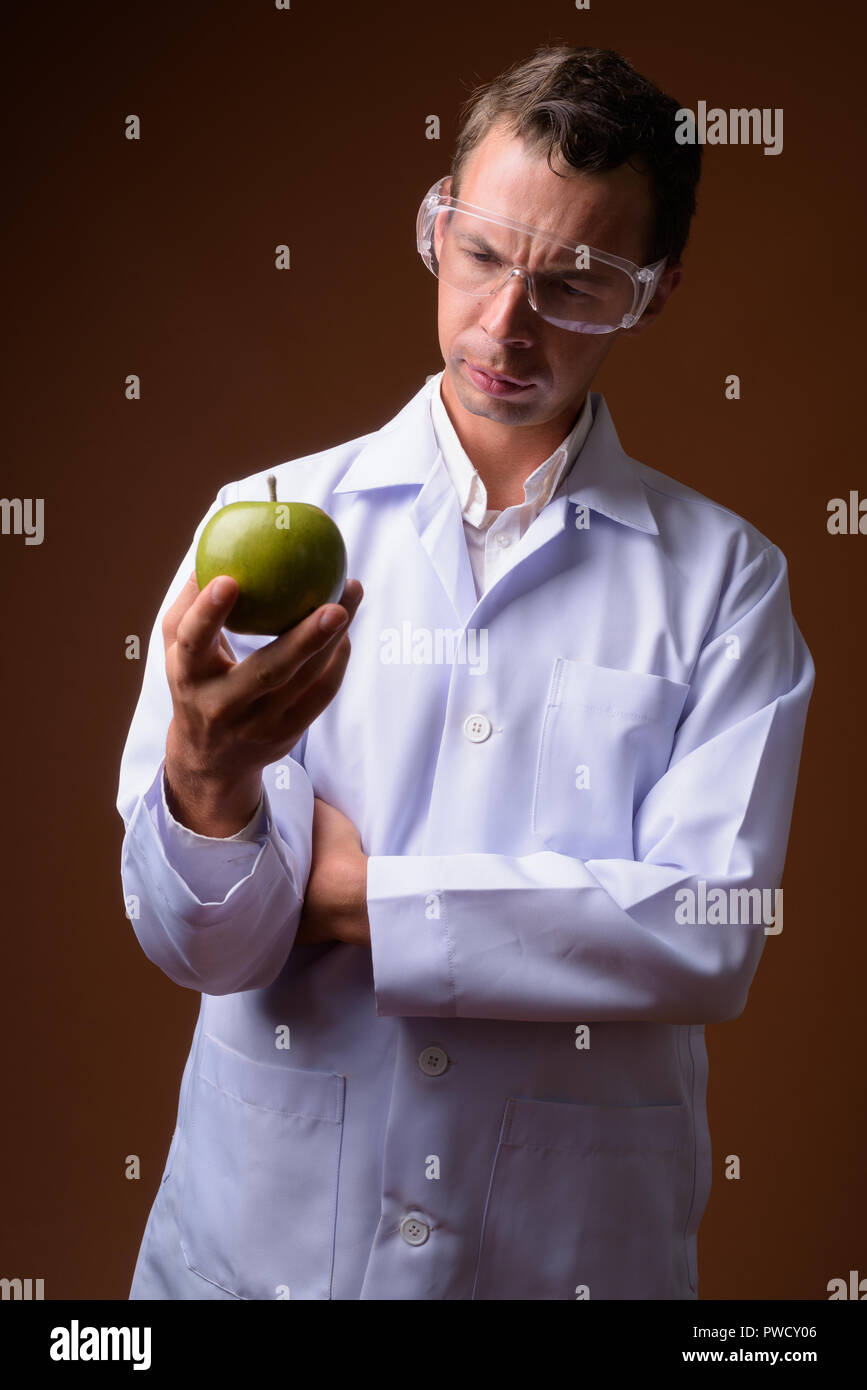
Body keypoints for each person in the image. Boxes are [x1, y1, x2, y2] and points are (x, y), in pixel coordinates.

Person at [117, 44, 814, 1300]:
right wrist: (206, 788)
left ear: (651, 295)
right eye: (484, 254)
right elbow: (202, 943)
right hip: (259, 1251)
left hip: (566, 1256)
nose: (506, 324)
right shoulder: (263, 519)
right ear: (436, 226)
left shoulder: (727, 583)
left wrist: (365, 895)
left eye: (579, 283)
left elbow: (703, 935)